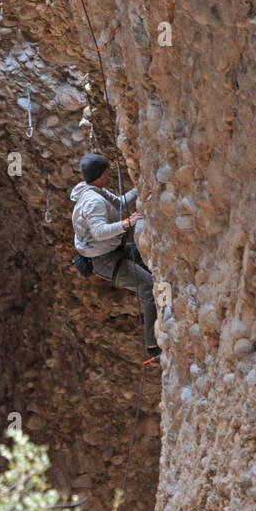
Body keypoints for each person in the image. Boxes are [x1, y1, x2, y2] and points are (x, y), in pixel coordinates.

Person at [70, 152, 160, 357]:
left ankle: (167, 302)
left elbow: (119, 203)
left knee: (147, 255)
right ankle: (153, 345)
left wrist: (142, 188)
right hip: (105, 260)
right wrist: (127, 224)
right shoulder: (93, 201)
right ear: (101, 174)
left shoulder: (94, 190)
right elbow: (99, 231)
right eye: (107, 171)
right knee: (147, 286)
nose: (110, 173)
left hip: (114, 250)